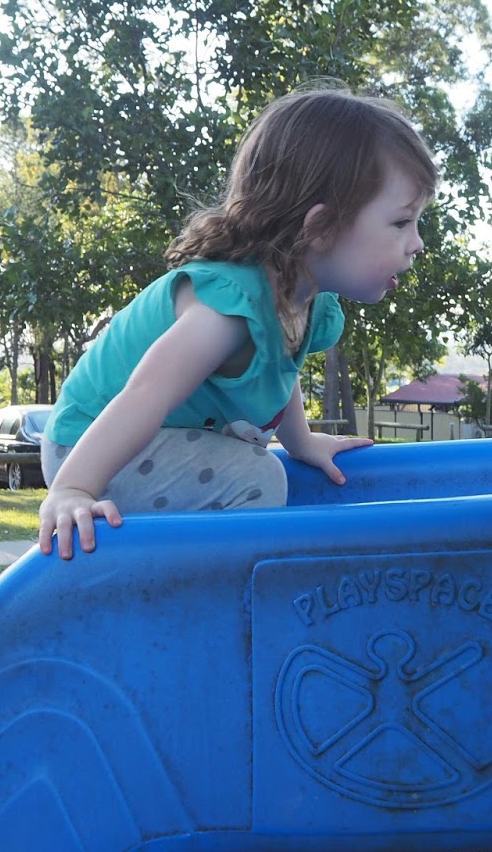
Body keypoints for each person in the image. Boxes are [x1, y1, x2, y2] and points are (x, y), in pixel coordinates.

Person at [37, 85, 439, 558]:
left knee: (266, 468)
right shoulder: (228, 308)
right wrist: (74, 488)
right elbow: (147, 393)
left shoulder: (303, 301)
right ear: (321, 228)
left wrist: (300, 441)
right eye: (401, 222)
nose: (418, 243)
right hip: (90, 449)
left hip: (141, 442)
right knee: (257, 477)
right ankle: (206, 592)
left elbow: (279, 370)